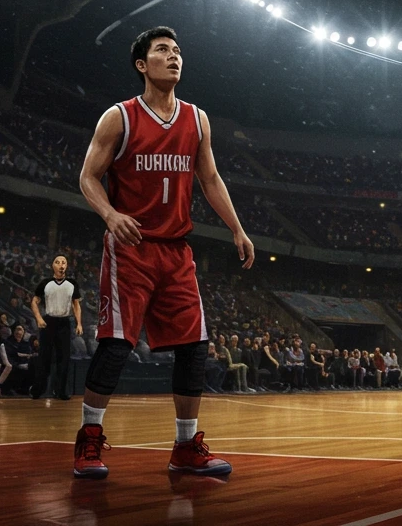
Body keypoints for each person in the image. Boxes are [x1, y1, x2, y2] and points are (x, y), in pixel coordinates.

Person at [73, 26, 255, 479]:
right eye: (162, 51)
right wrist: (111, 215)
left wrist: (237, 228)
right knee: (116, 345)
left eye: (177, 51)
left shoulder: (197, 119)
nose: (174, 57)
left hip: (176, 251)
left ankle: (185, 446)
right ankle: (89, 439)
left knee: (195, 348)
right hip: (131, 248)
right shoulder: (119, 117)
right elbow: (87, 177)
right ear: (142, 64)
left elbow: (210, 179)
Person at [31, 254, 83, 400]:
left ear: (67, 266)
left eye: (64, 262)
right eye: (58, 262)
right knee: (44, 357)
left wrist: (79, 323)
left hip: (64, 322)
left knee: (64, 358)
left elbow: (76, 305)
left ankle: (61, 391)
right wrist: (39, 318)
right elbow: (34, 301)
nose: (61, 265)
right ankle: (37, 389)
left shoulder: (72, 284)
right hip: (48, 322)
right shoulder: (45, 283)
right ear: (52, 266)